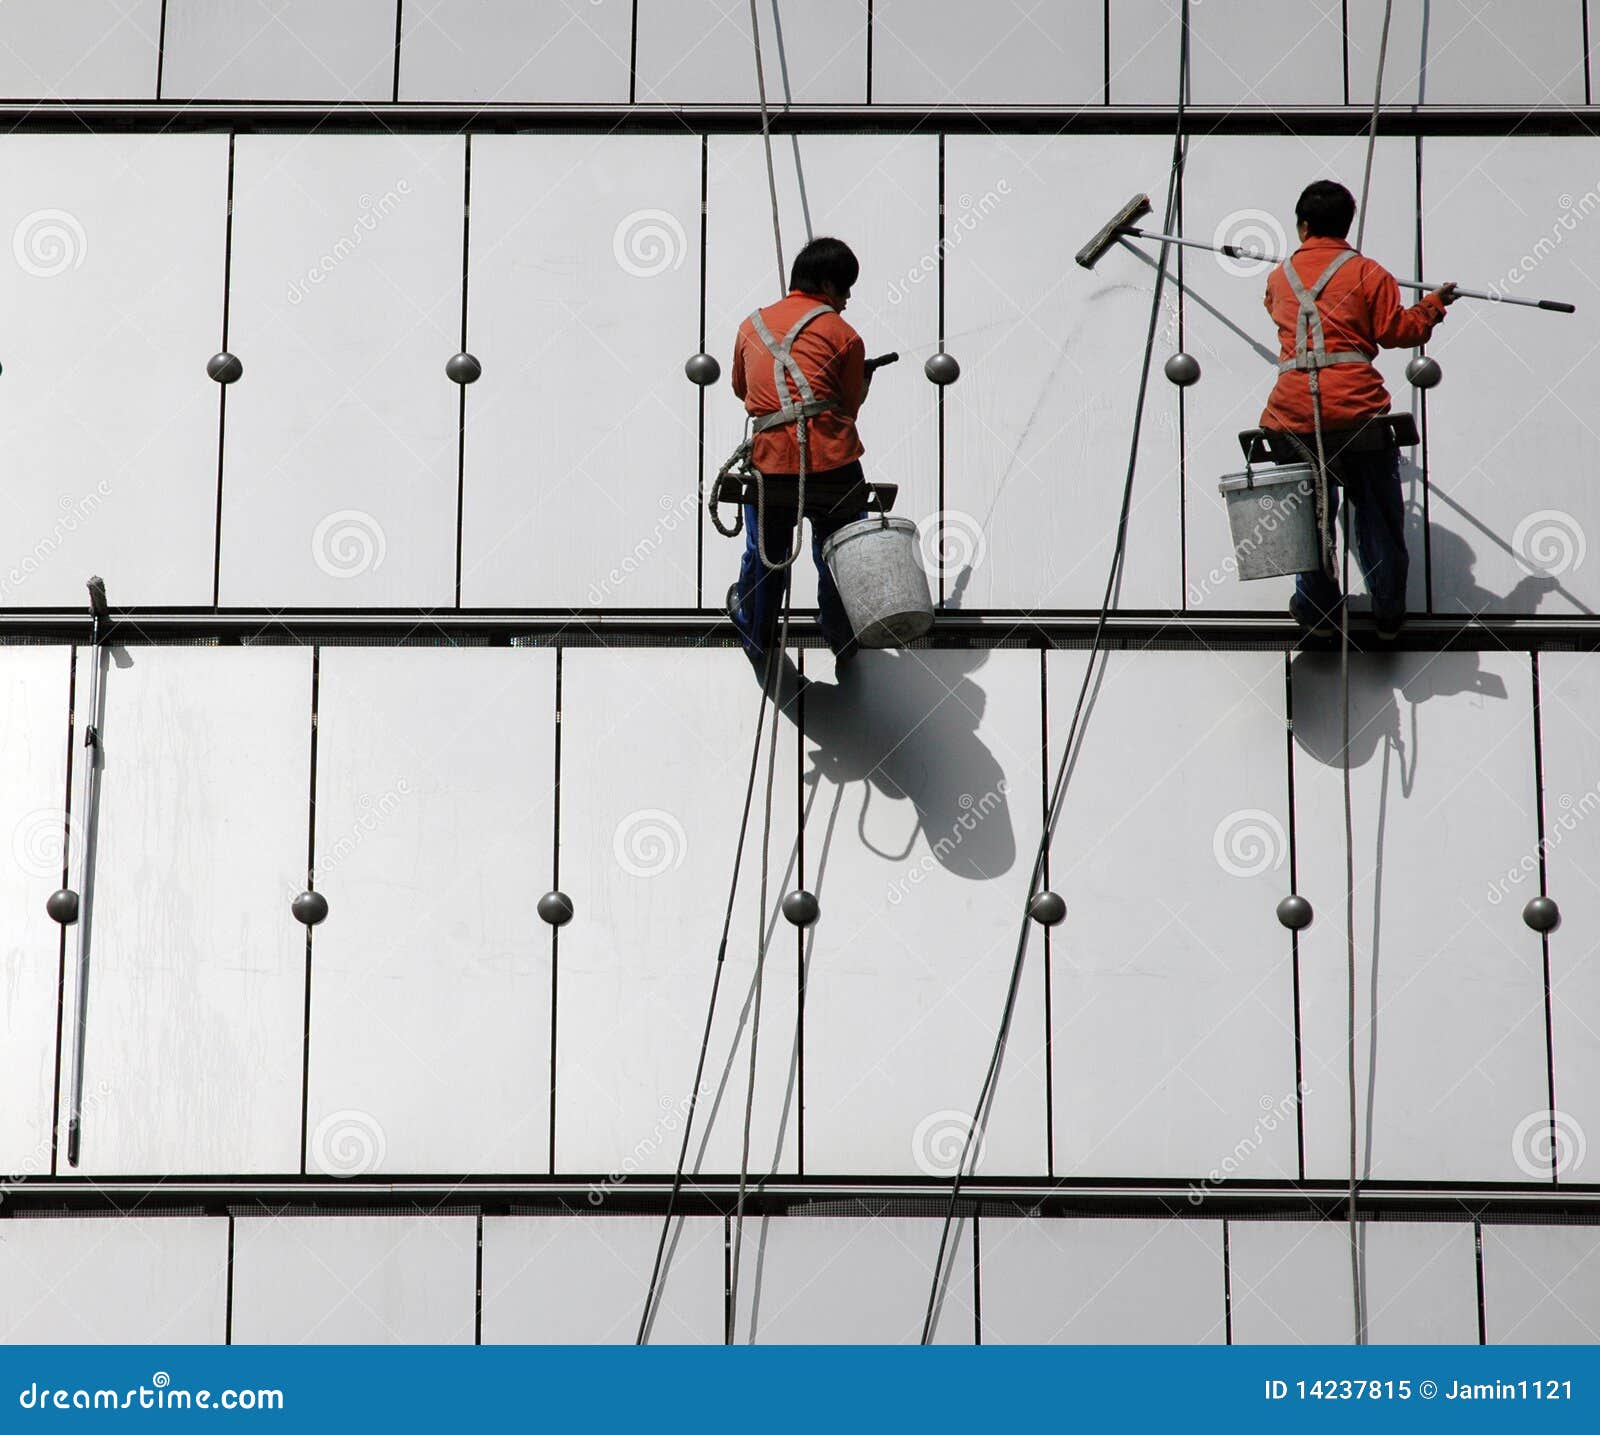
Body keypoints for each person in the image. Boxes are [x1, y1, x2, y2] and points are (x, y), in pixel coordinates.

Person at [1262, 180, 1458, 640]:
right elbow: (1400, 332)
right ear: (1347, 225)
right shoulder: (1368, 273)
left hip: (1294, 416)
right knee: (1377, 515)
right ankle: (1389, 610)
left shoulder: (1279, 279)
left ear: (1303, 225)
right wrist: (1434, 305)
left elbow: (1277, 312)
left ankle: (1316, 611)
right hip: (1357, 414)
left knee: (1309, 519)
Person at [727, 236, 875, 666]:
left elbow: (742, 389)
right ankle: (842, 638)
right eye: (845, 289)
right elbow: (847, 408)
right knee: (840, 552)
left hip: (769, 465)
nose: (846, 300)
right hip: (833, 465)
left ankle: (758, 636)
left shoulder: (749, 326)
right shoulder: (843, 334)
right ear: (827, 284)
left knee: (766, 556)